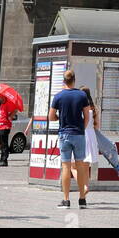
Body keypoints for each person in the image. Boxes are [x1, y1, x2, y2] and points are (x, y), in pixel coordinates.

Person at [49, 69, 91, 209]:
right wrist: (82, 128)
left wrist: (59, 118)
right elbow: (87, 116)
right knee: (80, 166)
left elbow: (51, 116)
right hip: (78, 134)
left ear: (64, 81)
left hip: (64, 134)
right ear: (74, 80)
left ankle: (66, 200)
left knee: (66, 166)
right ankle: (82, 199)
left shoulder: (58, 96)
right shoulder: (82, 95)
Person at [79, 84, 119, 176]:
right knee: (86, 165)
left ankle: (81, 182)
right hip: (91, 137)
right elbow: (97, 126)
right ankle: (85, 183)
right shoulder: (94, 108)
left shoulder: (79, 107)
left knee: (78, 164)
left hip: (81, 135)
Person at [0, 89, 19, 167]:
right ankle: (2, 159)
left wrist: (10, 116)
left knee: (4, 144)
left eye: (0, 97)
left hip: (5, 127)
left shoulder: (8, 104)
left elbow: (15, 110)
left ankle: (4, 160)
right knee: (1, 144)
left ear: (4, 97)